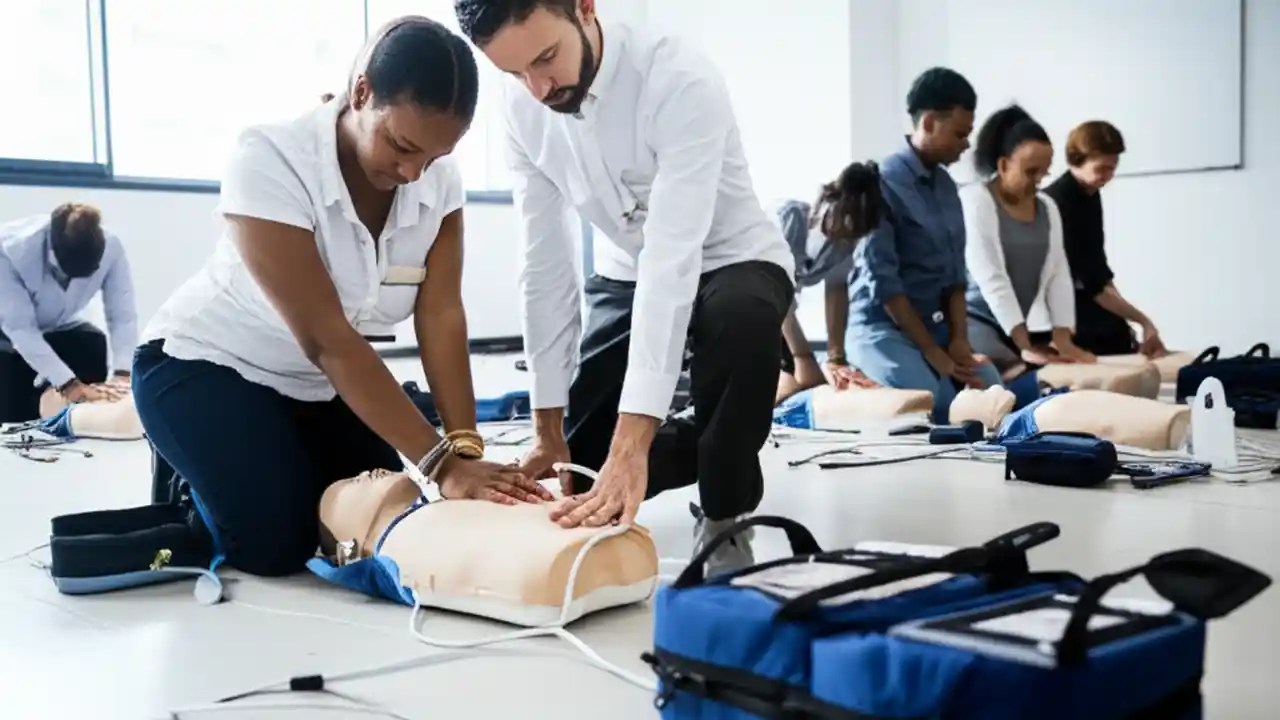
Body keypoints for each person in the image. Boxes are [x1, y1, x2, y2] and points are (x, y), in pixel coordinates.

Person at [131, 17, 550, 578]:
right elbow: (328, 339)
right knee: (272, 545)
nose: (413, 172)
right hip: (204, 368)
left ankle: (253, 467)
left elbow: (441, 315)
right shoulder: (270, 159)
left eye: (433, 157)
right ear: (361, 92)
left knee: (388, 507)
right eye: (401, 146)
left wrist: (464, 450)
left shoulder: (437, 179)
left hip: (315, 386)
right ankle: (190, 480)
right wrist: (441, 465)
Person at [455, 0, 795, 572]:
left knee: (739, 323)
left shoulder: (679, 80)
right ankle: (717, 440)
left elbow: (673, 257)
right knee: (583, 463)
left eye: (546, 58)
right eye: (515, 73)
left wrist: (634, 441)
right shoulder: (522, 108)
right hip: (628, 269)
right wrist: (547, 428)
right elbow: (544, 263)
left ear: (585, 8)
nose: (538, 89)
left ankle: (726, 513)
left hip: (733, 258)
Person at [846, 67, 1002, 423]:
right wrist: (932, 352)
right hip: (882, 330)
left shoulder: (947, 187)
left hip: (934, 329)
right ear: (929, 122)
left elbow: (956, 278)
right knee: (935, 400)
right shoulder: (881, 183)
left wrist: (959, 341)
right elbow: (886, 287)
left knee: (989, 386)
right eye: (960, 134)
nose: (967, 145)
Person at [961, 104, 1094, 377]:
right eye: (1030, 172)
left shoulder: (1047, 207)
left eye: (1044, 173)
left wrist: (1063, 340)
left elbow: (1059, 273)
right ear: (1003, 165)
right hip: (971, 323)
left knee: (1061, 373)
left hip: (1014, 328)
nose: (1038, 181)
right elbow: (991, 276)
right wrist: (1024, 346)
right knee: (1016, 375)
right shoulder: (976, 200)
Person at [0, 204, 135, 423]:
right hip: (6, 330)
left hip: (58, 324)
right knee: (9, 378)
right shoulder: (9, 250)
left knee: (92, 343)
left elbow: (122, 316)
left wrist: (123, 375)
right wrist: (69, 385)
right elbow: (20, 330)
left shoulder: (112, 248)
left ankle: (79, 421)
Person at [1044, 121, 1168, 358]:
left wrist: (1134, 322)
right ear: (1076, 160)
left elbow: (1098, 270)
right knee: (1112, 337)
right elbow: (1092, 285)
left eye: (1113, 168)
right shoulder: (1059, 203)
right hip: (1056, 309)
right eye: (1101, 169)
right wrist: (1143, 321)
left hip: (1079, 296)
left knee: (1120, 332)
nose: (1108, 176)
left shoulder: (1089, 193)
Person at [773, 161, 883, 405]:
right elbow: (778, 294)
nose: (847, 238)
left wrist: (836, 358)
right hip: (752, 303)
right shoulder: (791, 220)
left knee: (814, 387)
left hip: (778, 313)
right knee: (794, 386)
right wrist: (802, 355)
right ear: (831, 202)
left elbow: (836, 290)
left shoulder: (843, 244)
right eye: (847, 223)